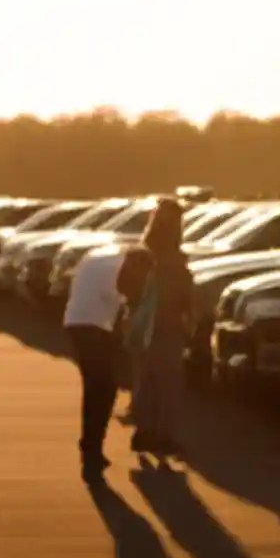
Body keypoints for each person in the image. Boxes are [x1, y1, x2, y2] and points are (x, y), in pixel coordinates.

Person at [118, 199, 194, 459]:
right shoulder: (174, 260)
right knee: (169, 383)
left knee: (144, 379)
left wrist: (134, 307)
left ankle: (143, 431)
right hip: (167, 325)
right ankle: (165, 436)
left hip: (140, 326)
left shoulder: (140, 253)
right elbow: (185, 293)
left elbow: (123, 285)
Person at [64, 245, 130, 483]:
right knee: (103, 386)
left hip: (77, 321)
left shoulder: (100, 257)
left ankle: (91, 444)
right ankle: (91, 446)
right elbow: (119, 294)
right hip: (91, 327)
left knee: (96, 387)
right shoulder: (116, 268)